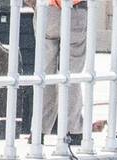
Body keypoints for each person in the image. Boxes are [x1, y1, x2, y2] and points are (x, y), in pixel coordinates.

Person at [30, 0, 88, 146]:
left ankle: (39, 130)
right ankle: (73, 130)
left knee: (45, 74)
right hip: (76, 10)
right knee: (71, 74)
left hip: (48, 10)